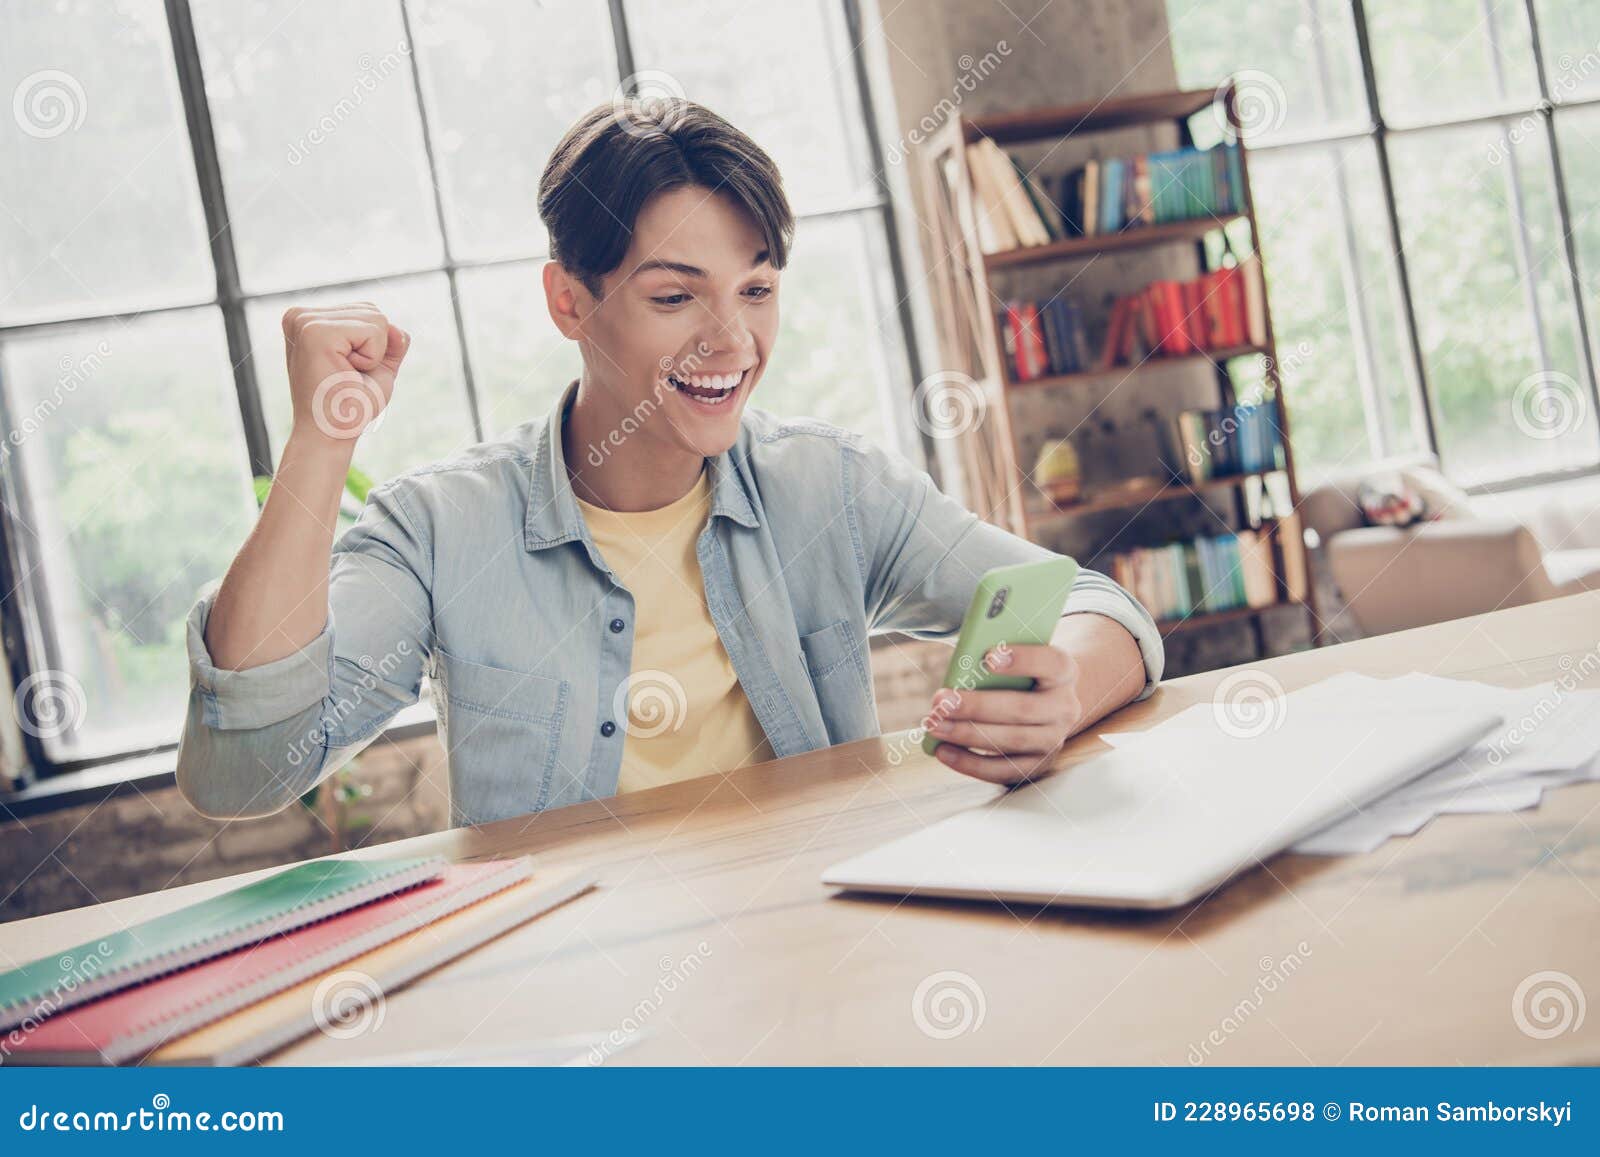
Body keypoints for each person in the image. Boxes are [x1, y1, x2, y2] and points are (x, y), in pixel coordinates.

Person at [176, 98, 1163, 828]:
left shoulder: (830, 486)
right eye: (674, 297)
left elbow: (1096, 606)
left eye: (757, 287)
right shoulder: (441, 528)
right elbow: (245, 771)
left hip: (814, 949)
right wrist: (319, 440)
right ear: (569, 301)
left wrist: (1063, 688)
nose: (731, 341)